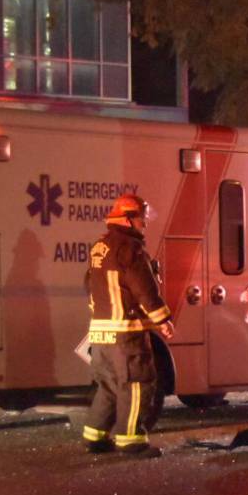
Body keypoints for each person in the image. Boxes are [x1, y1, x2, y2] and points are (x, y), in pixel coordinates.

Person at [82, 193, 174, 457]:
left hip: (100, 335)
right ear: (128, 219)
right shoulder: (130, 249)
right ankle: (131, 440)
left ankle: (94, 436)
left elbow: (88, 286)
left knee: (110, 386)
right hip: (126, 334)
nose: (144, 224)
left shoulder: (100, 246)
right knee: (136, 384)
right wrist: (162, 320)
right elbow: (144, 289)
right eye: (141, 219)